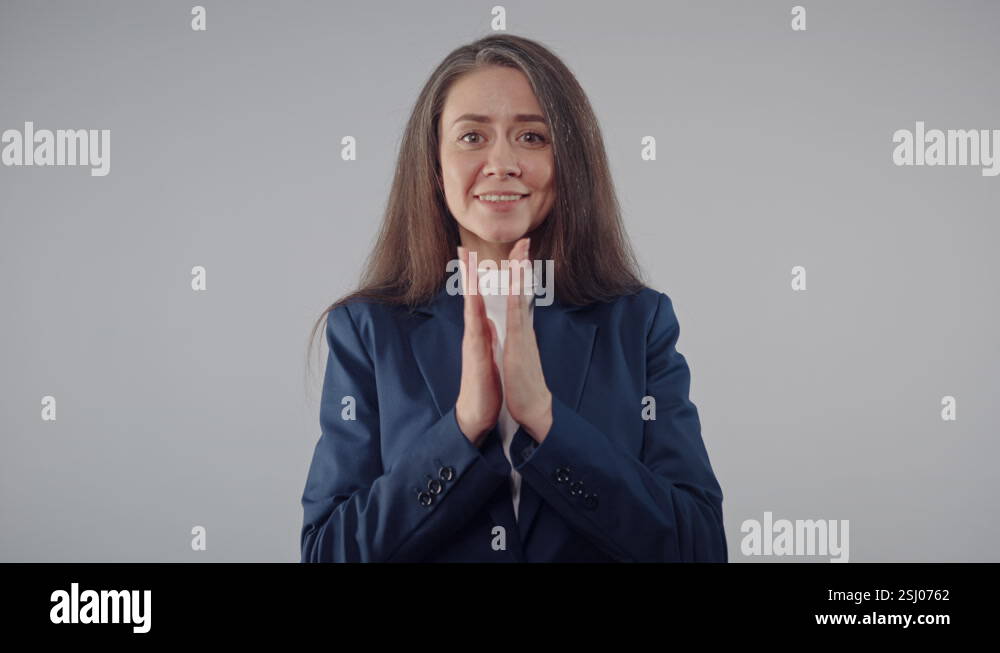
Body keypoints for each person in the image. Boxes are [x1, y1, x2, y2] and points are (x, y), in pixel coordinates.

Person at [299, 34, 727, 562]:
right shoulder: (366, 330)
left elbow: (700, 548)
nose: (502, 163)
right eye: (472, 137)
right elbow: (326, 553)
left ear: (568, 160)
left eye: (531, 136)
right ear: (434, 167)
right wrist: (461, 429)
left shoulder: (638, 323)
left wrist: (547, 422)